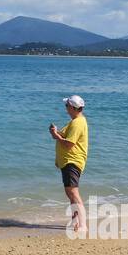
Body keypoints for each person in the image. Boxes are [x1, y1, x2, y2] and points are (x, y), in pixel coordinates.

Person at [48, 95, 89, 234]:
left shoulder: (77, 123)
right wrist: (56, 133)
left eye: (67, 106)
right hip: (68, 162)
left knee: (73, 192)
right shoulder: (74, 122)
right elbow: (65, 138)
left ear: (72, 107)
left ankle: (83, 224)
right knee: (70, 193)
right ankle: (75, 221)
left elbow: (69, 144)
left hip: (73, 161)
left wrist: (57, 136)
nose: (65, 108)